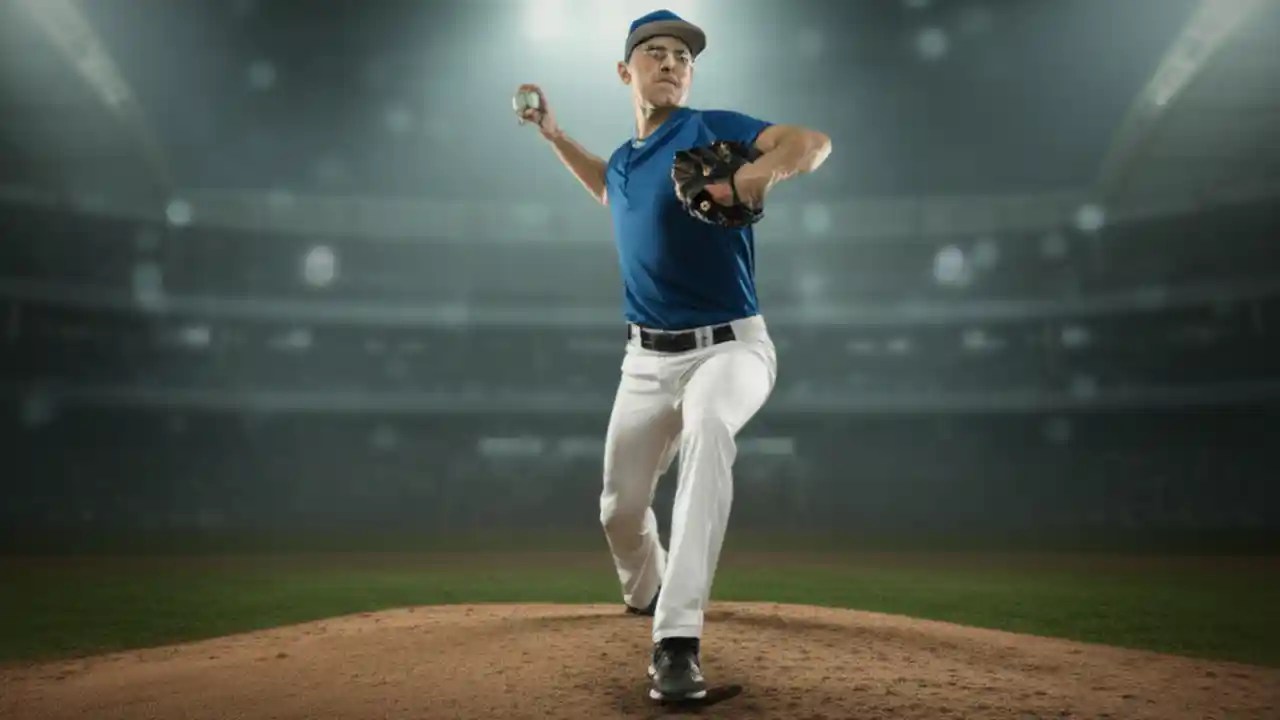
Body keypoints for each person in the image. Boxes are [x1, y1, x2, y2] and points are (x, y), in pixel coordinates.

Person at [514, 9, 832, 702]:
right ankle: (648, 591)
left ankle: (676, 640)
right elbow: (608, 188)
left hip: (730, 347)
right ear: (625, 72)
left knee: (709, 433)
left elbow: (811, 143)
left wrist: (752, 180)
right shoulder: (629, 162)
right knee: (619, 512)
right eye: (654, 53)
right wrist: (555, 136)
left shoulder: (710, 129)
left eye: (682, 58)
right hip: (644, 365)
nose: (671, 64)